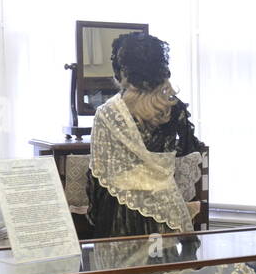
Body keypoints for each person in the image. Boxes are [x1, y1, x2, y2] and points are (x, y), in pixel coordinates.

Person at [85, 32, 205, 239]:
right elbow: (187, 159)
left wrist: (94, 216)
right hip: (166, 209)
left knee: (127, 270)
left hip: (121, 213)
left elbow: (97, 176)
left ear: (123, 69)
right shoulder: (174, 109)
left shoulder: (107, 113)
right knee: (165, 268)